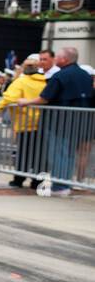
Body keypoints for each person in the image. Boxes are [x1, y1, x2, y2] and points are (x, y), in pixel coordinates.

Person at [11, 46, 92, 195]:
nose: (55, 60)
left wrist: (26, 102)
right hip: (80, 122)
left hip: (59, 122)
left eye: (57, 57)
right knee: (69, 155)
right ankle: (66, 184)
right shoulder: (85, 75)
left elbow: (44, 98)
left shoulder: (60, 76)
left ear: (64, 59)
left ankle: (59, 186)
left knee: (59, 154)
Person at [0, 54, 47, 188]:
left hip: (25, 122)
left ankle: (18, 179)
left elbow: (9, 97)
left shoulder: (21, 81)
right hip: (42, 123)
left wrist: (0, 107)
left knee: (23, 152)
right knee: (40, 154)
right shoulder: (45, 81)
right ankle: (37, 181)